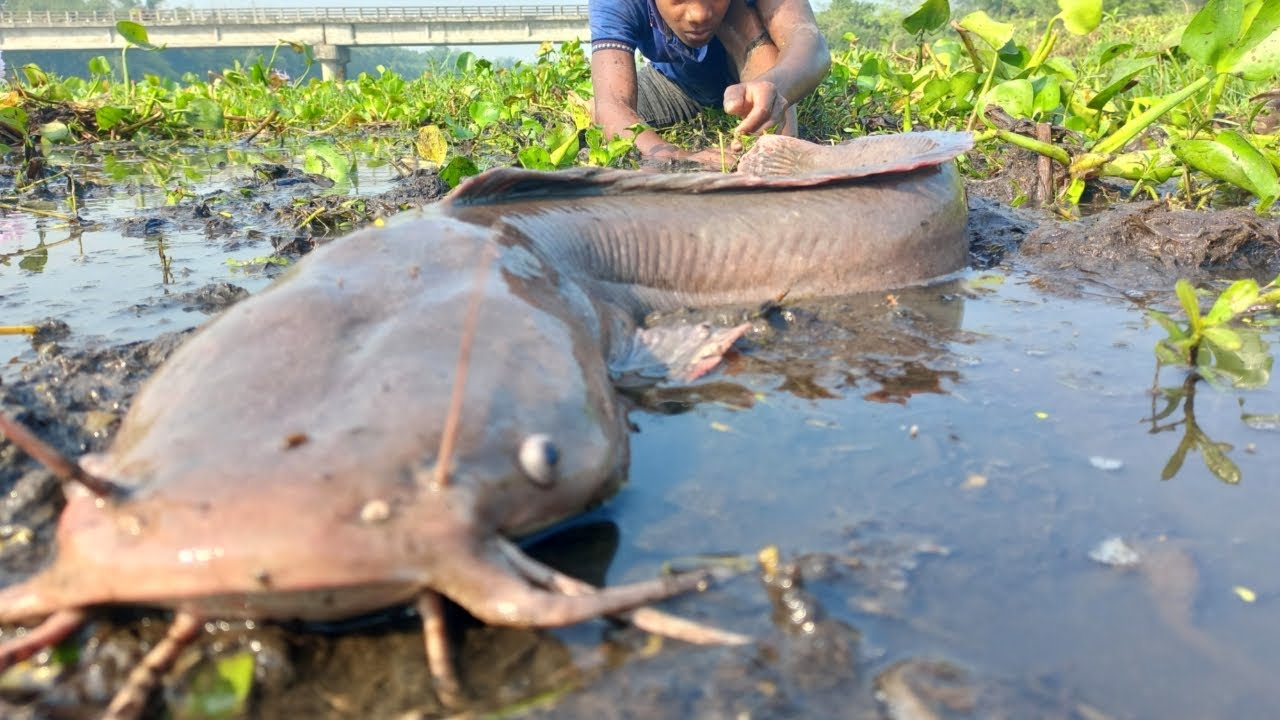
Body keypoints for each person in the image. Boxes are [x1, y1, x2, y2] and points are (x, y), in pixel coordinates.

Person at [589, 0, 830, 168]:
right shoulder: (616, 3)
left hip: (747, 76)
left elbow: (808, 42)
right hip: (674, 85)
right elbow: (613, 104)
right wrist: (677, 158)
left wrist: (776, 85)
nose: (699, 15)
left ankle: (768, 128)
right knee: (598, 111)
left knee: (744, 17)